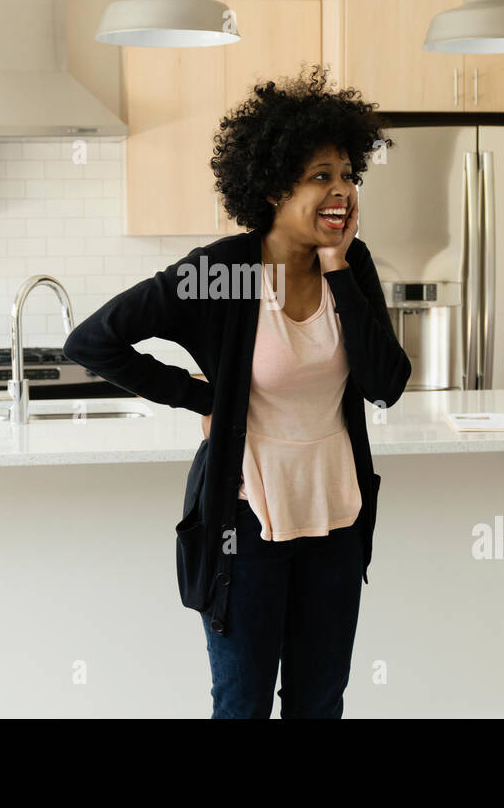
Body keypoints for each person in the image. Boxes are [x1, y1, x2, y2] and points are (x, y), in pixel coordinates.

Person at [63, 64, 411, 718]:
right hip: (244, 524)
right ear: (275, 187)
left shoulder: (353, 265)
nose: (342, 191)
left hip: (336, 520)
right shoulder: (223, 272)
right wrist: (207, 400)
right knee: (243, 704)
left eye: (348, 176)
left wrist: (336, 267)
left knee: (320, 704)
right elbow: (93, 341)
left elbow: (385, 383)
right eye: (321, 177)